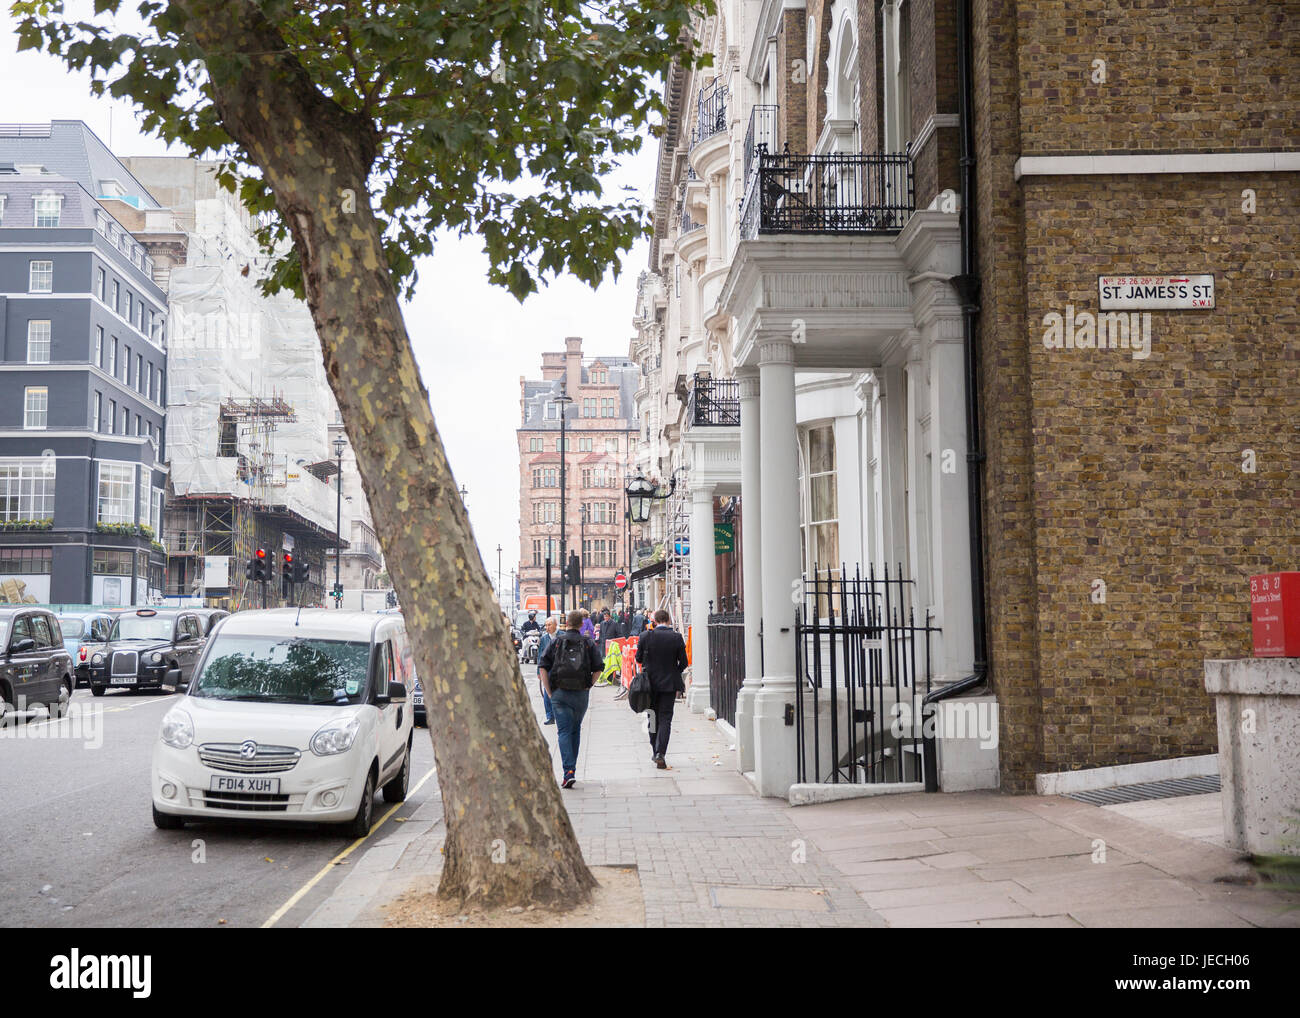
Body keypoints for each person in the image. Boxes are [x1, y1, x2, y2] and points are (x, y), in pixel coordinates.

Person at [538, 610, 602, 788]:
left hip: (560, 692)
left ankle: (569, 771)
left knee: (564, 731)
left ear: (566, 624)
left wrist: (549, 692)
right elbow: (599, 667)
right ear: (582, 624)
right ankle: (571, 768)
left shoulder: (556, 642)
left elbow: (543, 666)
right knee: (576, 729)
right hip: (581, 693)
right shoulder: (588, 642)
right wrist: (589, 685)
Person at [635, 610, 689, 769]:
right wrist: (674, 672)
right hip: (669, 685)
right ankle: (661, 753)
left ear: (655, 621)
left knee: (652, 717)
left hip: (649, 685)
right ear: (668, 620)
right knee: (665, 718)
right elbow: (684, 663)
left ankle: (654, 750)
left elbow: (638, 658)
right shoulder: (676, 637)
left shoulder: (645, 636)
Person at [536, 616, 559, 725]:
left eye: (549, 625)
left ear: (555, 625)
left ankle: (558, 714)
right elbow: (540, 655)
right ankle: (550, 716)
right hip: (547, 669)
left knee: (558, 692)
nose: (547, 627)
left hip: (560, 669)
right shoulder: (544, 638)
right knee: (546, 693)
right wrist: (538, 671)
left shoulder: (562, 636)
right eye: (546, 625)